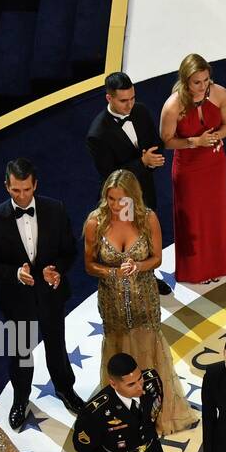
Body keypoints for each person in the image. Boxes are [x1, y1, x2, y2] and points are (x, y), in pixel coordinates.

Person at [82, 169, 197, 437]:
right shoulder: (95, 223)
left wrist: (140, 265)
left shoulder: (148, 219)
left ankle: (158, 413)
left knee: (149, 354)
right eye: (111, 199)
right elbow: (89, 265)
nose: (116, 205)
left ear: (134, 198)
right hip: (112, 304)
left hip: (144, 300)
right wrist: (111, 272)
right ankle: (122, 418)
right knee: (119, 353)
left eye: (122, 200)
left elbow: (156, 258)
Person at [0, 158, 85, 427]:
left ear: (35, 184)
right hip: (17, 299)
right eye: (16, 190)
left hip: (51, 293)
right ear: (7, 186)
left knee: (56, 345)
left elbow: (69, 250)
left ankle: (65, 389)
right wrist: (15, 274)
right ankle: (21, 398)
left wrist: (57, 270)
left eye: (27, 189)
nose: (22, 196)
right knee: (21, 352)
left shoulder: (55, 210)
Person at [84, 71, 174, 295]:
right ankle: (130, 285)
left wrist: (154, 157)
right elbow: (109, 175)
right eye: (124, 100)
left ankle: (149, 277)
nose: (130, 104)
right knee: (129, 243)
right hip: (120, 199)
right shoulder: (97, 133)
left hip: (146, 190)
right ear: (109, 98)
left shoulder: (140, 111)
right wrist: (142, 162)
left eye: (132, 97)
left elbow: (156, 141)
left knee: (148, 236)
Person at [160, 54, 226, 283]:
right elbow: (166, 141)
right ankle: (197, 270)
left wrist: (216, 137)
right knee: (194, 219)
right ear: (185, 82)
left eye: (206, 80)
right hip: (189, 170)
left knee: (216, 214)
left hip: (215, 164)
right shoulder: (173, 106)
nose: (203, 86)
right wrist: (195, 142)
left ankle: (219, 264)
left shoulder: (220, 93)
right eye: (197, 82)